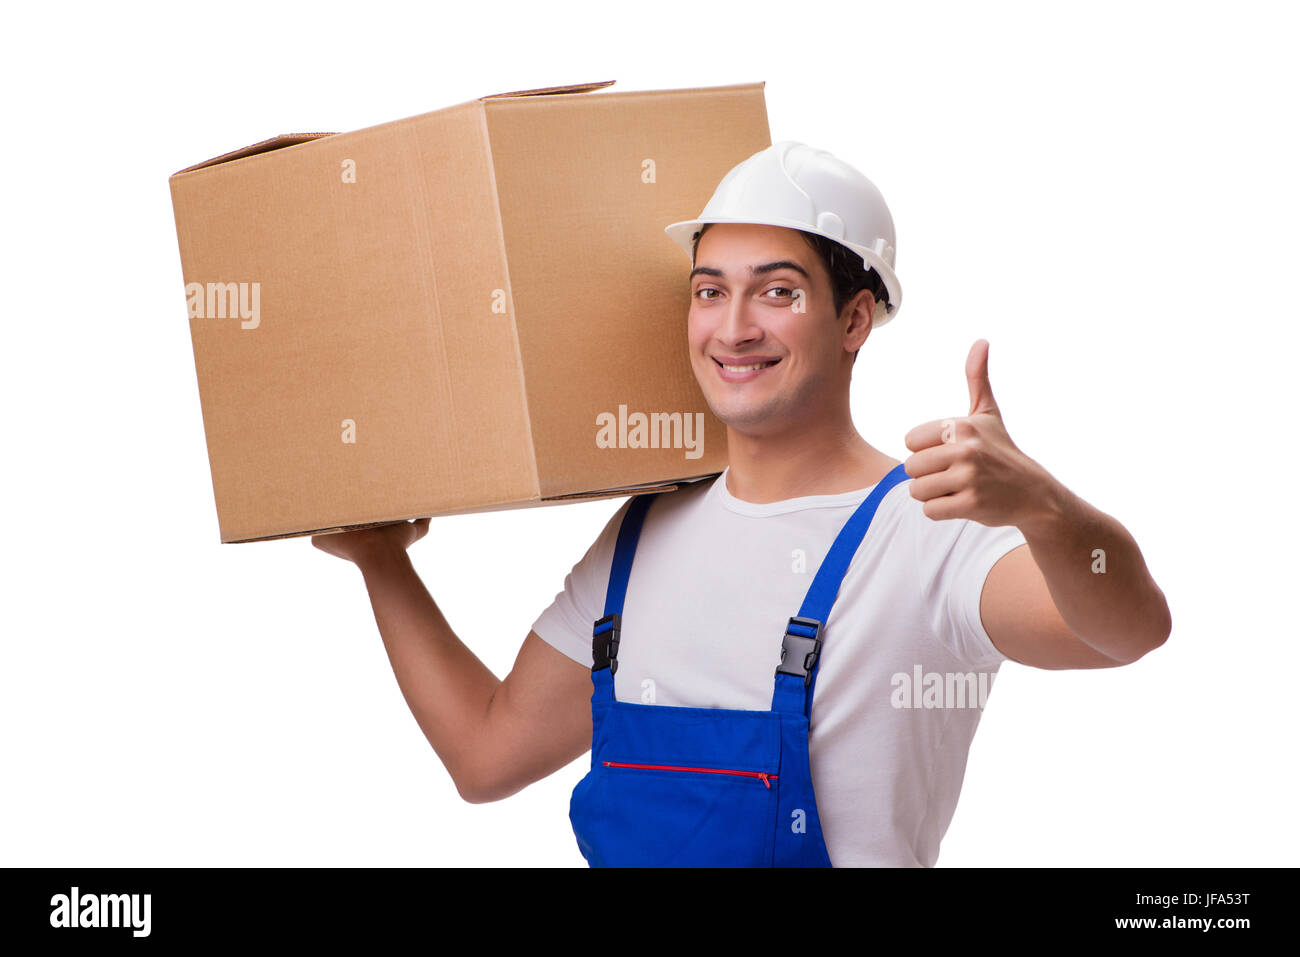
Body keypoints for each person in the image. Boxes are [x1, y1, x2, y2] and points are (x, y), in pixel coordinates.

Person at [311, 141, 1171, 867]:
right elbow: (485, 753)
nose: (733, 329)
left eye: (778, 291)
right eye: (710, 290)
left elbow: (1129, 631)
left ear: (855, 320)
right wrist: (380, 559)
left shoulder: (930, 527)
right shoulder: (642, 533)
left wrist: (1044, 507)